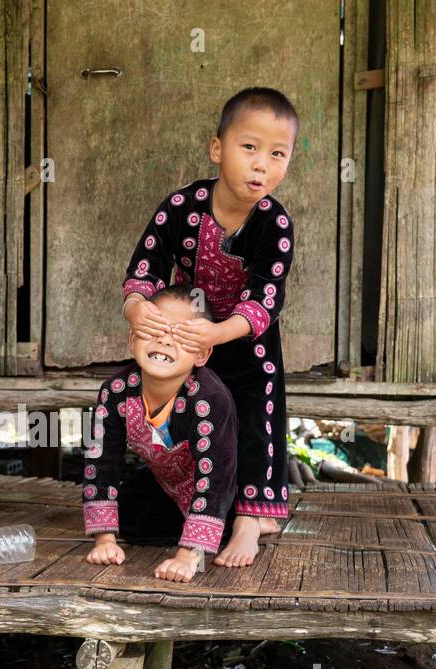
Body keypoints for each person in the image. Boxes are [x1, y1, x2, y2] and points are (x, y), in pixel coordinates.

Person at [123, 87, 298, 567]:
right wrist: (139, 309)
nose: (262, 164)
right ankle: (198, 503)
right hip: (187, 337)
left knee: (254, 418)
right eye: (250, 148)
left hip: (248, 339)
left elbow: (267, 294)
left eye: (277, 154)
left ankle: (248, 521)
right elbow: (146, 266)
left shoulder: (274, 224)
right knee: (194, 417)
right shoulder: (182, 205)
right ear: (217, 148)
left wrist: (221, 334)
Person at [84, 285, 238, 582]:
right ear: (132, 340)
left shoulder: (209, 400)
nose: (165, 339)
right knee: (131, 519)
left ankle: (221, 533)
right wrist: (104, 540)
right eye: (154, 328)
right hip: (167, 484)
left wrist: (187, 555)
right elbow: (101, 461)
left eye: (182, 335)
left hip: (222, 490)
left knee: (224, 530)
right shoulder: (116, 392)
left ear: (202, 354)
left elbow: (217, 478)